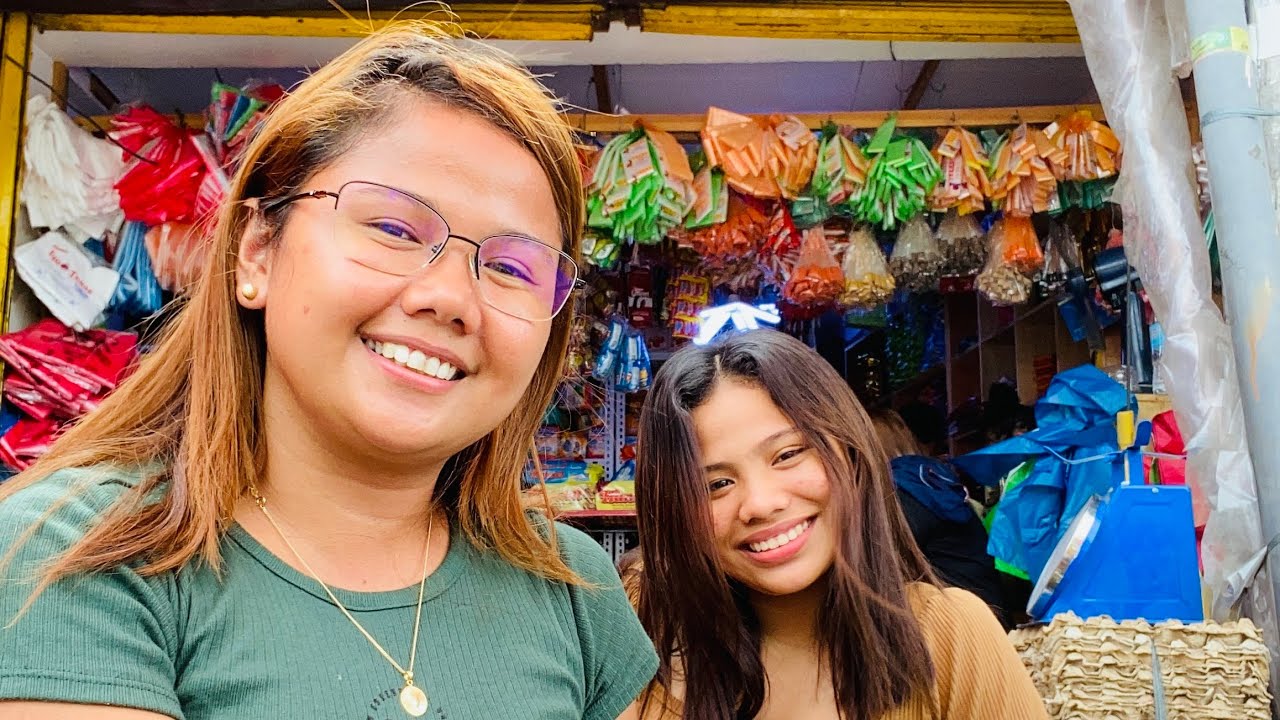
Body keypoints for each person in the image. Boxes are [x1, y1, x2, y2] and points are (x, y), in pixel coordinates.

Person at [0, 24, 656, 720]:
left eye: (510, 268)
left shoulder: (575, 589)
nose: (451, 299)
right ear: (257, 252)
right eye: (395, 230)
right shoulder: (77, 556)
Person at [633, 331, 1045, 720]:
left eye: (788, 454)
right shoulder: (640, 656)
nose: (760, 503)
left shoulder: (949, 634)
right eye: (716, 484)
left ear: (851, 453)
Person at [870, 409, 1009, 626]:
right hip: (986, 610)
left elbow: (876, 565)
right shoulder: (928, 478)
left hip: (963, 627)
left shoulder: (903, 492)